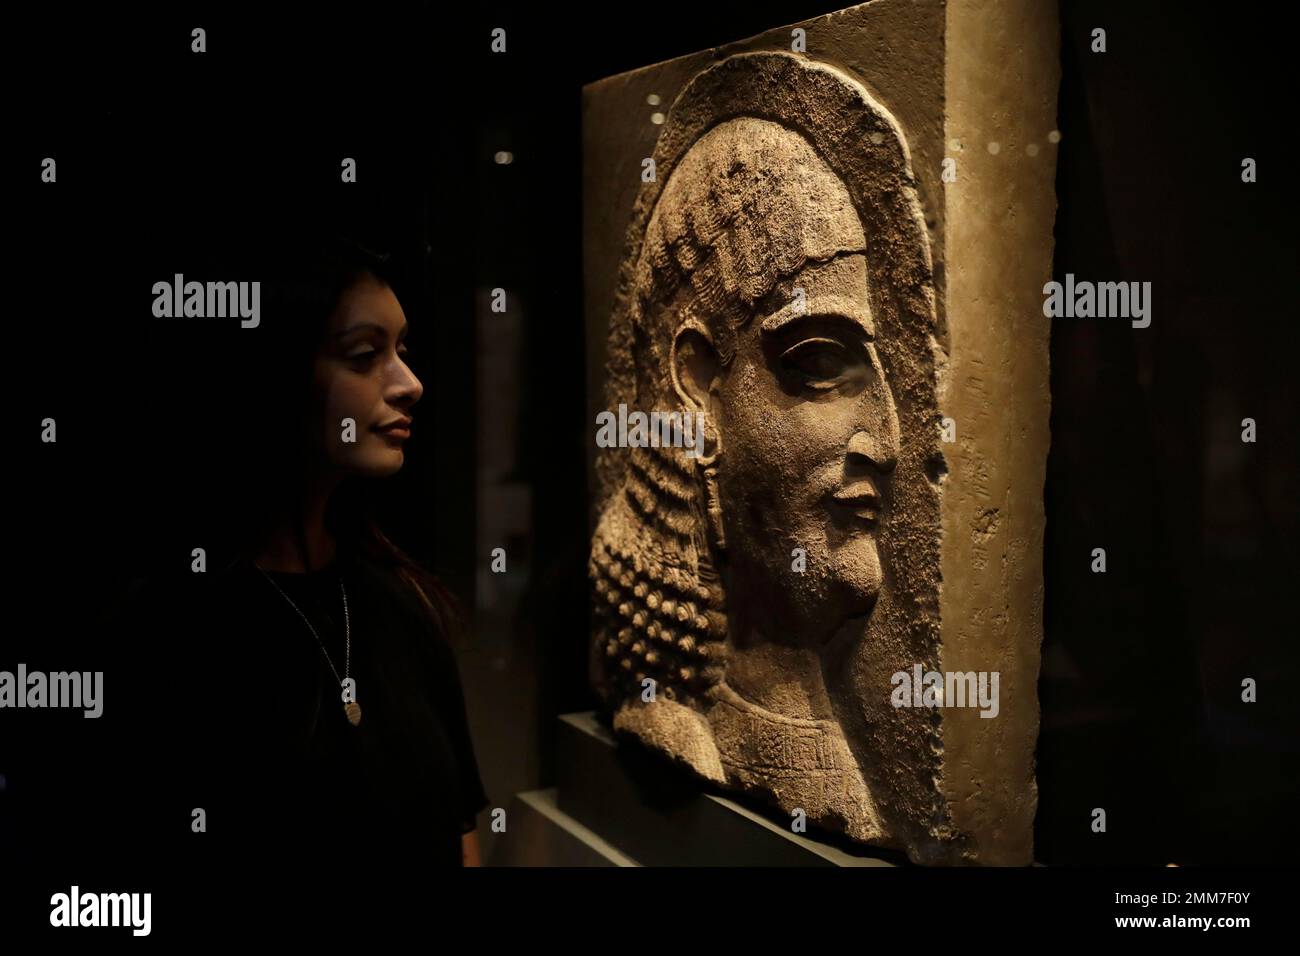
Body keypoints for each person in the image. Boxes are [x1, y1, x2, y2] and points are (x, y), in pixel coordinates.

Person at [108, 236, 489, 872]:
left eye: (403, 351)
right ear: (275, 369)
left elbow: (458, 831)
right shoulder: (162, 635)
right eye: (365, 355)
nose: (410, 384)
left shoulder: (404, 601)